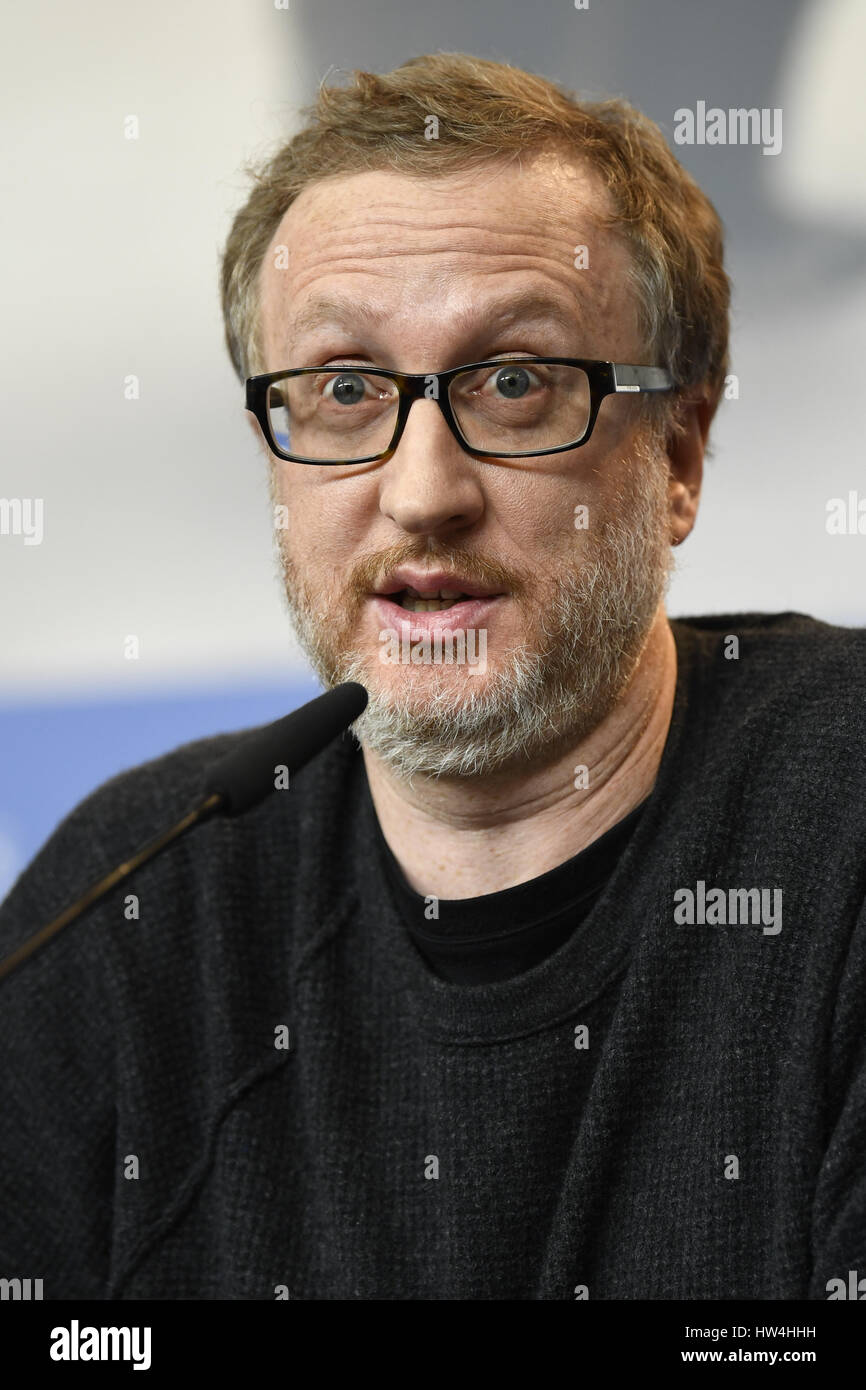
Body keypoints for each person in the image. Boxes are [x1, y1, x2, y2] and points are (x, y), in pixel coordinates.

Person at [1, 53, 863, 1302]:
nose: (420, 493)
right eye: (344, 391)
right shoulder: (138, 890)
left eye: (513, 383)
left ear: (676, 451)